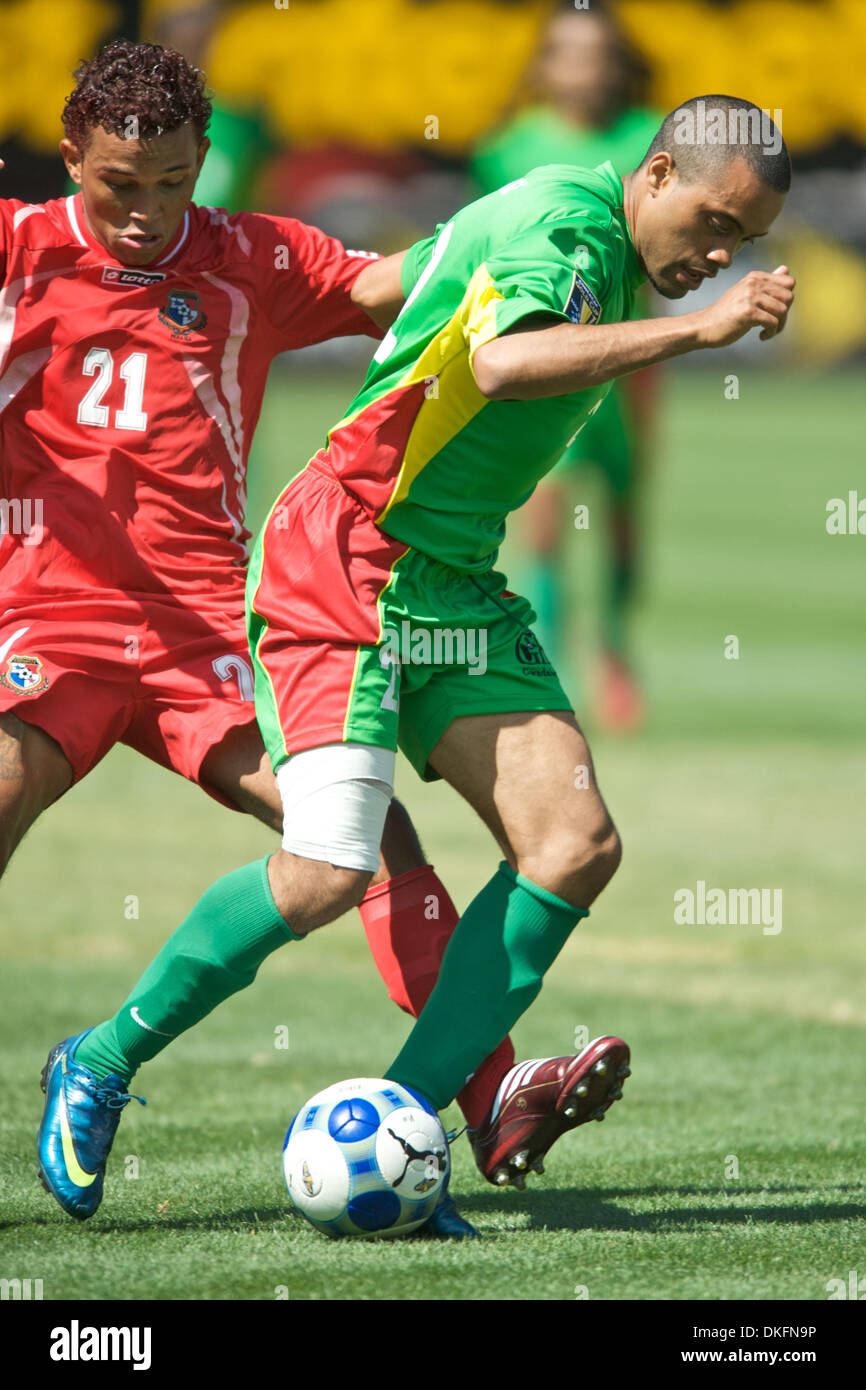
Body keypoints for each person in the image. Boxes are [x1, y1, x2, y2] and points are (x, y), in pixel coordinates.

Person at [38, 91, 794, 1227]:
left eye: (745, 240)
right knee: (327, 869)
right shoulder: (567, 222)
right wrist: (700, 329)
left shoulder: (597, 234)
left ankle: (409, 1118)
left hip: (451, 581)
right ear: (653, 175)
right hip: (348, 554)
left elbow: (420, 285)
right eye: (711, 221)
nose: (722, 253)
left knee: (572, 843)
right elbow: (499, 363)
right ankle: (98, 1059)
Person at [6, 40, 608, 1234]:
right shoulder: (16, 251)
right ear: (73, 153)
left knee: (361, 842)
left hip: (208, 635)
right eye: (123, 184)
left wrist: (512, 218)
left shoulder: (249, 258)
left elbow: (389, 284)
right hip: (49, 625)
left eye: (173, 183)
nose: (146, 212)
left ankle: (483, 1090)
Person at [473, 2, 661, 726]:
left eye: (595, 54)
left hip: (629, 358)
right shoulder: (507, 146)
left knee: (621, 508)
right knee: (545, 512)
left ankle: (613, 645)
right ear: (544, 65)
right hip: (544, 358)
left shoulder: (646, 140)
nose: (581, 68)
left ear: (617, 64)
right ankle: (550, 655)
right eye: (566, 53)